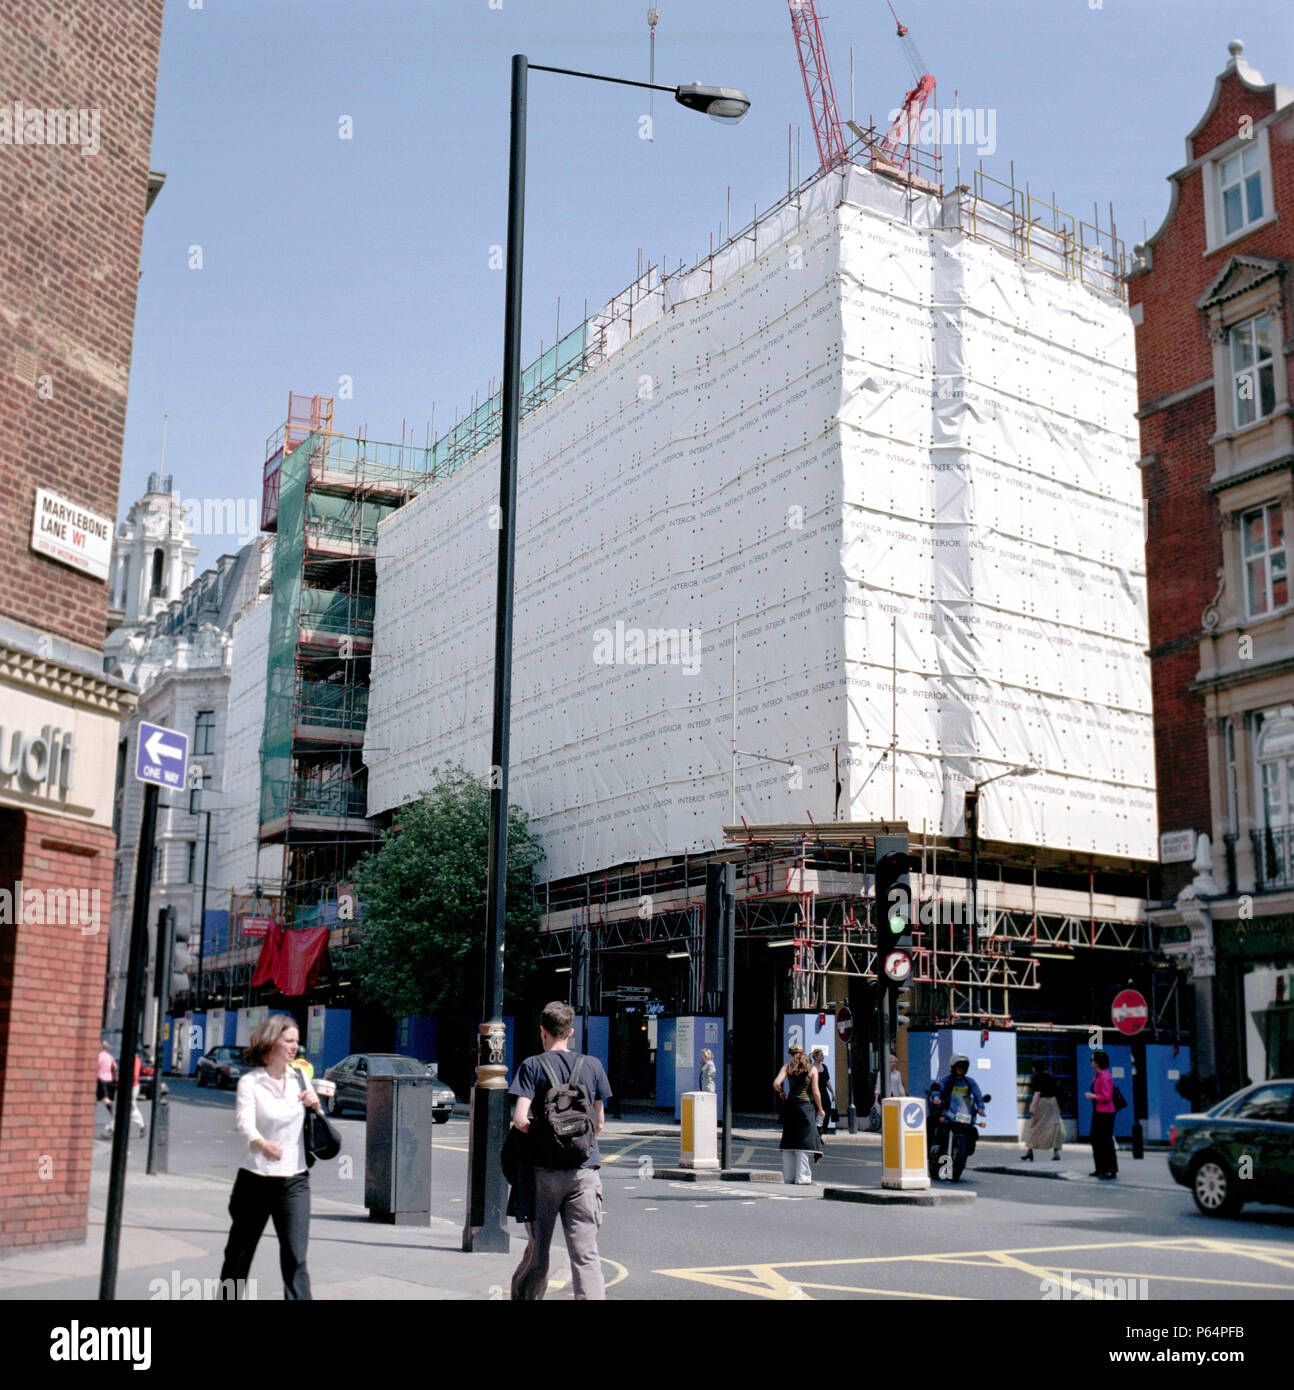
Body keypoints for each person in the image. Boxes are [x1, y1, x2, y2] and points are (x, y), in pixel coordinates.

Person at [508, 1001, 613, 1301]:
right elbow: (600, 1123)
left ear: (543, 1033)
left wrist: (546, 1135)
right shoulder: (592, 1066)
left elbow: (519, 1120)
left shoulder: (532, 1066)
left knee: (538, 1253)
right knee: (586, 1255)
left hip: (543, 1174)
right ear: (571, 1032)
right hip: (584, 1172)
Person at [220, 1015, 321, 1299]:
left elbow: (317, 1127)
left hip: (294, 1180)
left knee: (296, 1257)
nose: (294, 1047)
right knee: (239, 1255)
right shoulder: (251, 1082)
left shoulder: (300, 1079)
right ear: (271, 1042)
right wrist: (261, 1143)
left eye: (297, 1042)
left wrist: (316, 1106)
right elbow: (245, 1123)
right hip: (256, 1179)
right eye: (288, 1041)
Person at [773, 1044, 824, 1183]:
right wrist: (820, 1109)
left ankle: (788, 1177)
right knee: (804, 1143)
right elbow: (815, 1092)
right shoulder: (812, 1069)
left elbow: (776, 1083)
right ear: (803, 1053)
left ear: (790, 1055)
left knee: (789, 1141)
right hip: (805, 1107)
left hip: (790, 1107)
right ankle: (803, 1177)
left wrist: (782, 1093)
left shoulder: (787, 1067)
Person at [1085, 1049, 1118, 1180]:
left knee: (1105, 1141)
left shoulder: (1104, 1076)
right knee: (1096, 1140)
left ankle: (1110, 1169)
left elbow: (1107, 1096)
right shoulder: (1098, 1075)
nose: (1091, 1062)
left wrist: (1093, 1096)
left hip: (1106, 1112)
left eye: (1092, 1060)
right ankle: (1100, 1168)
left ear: (1098, 1062)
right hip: (1099, 1111)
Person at [1021, 1067, 1064, 1161]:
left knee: (1035, 1126)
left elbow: (1037, 1093)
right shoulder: (1051, 1076)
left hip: (1042, 1103)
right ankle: (1056, 1152)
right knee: (1054, 1126)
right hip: (1053, 1102)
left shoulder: (1037, 1077)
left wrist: (1032, 1106)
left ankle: (1030, 1151)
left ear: (1034, 1068)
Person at [811, 1046, 836, 1132]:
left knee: (827, 1111)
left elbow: (827, 1081)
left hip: (824, 1093)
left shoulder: (824, 1067)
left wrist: (832, 1092)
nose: (823, 1057)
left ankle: (822, 1130)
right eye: (821, 1055)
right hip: (814, 1093)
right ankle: (816, 1132)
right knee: (816, 1112)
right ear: (816, 1057)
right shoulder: (811, 1067)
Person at [96, 1040, 116, 1133]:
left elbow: (96, 1066)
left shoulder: (99, 1056)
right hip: (109, 1079)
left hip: (101, 1078)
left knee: (104, 1098)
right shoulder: (110, 1056)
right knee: (102, 1097)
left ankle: (113, 1113)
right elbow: (115, 1067)